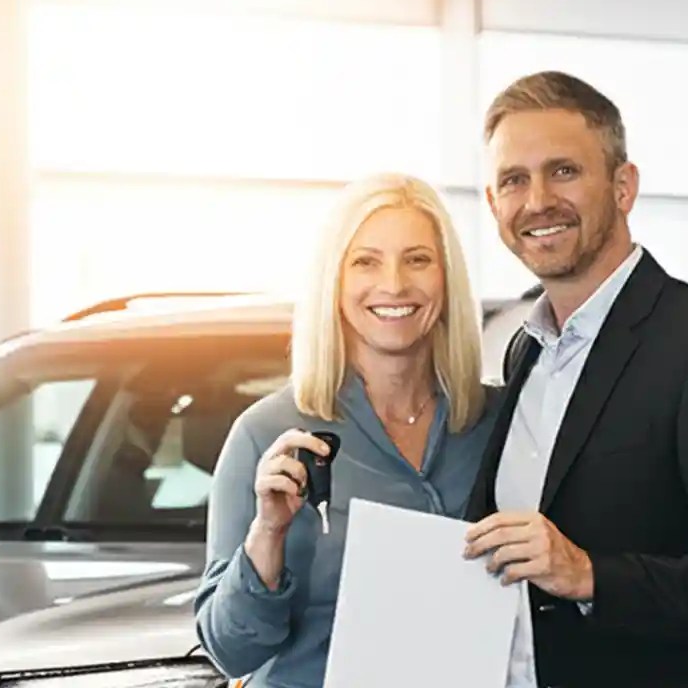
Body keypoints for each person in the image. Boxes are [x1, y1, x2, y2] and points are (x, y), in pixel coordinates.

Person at [461, 70, 688, 686]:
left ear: (624, 187)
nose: (538, 199)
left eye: (564, 171)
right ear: (494, 204)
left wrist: (588, 574)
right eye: (514, 179)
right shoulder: (524, 353)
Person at [194, 172, 500, 687]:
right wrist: (268, 533)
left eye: (418, 259)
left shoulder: (501, 423)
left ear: (447, 278)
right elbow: (230, 652)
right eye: (366, 261)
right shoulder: (266, 434)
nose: (395, 284)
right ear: (334, 282)